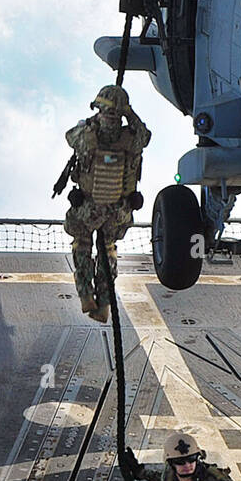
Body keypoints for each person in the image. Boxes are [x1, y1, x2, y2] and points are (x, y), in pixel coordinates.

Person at [61, 84, 150, 322]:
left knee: (81, 244)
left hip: (89, 207)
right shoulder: (132, 140)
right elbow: (145, 135)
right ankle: (104, 304)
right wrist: (129, 114)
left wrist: (92, 119)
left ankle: (85, 295)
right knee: (108, 251)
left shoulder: (85, 136)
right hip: (118, 209)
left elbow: (70, 136)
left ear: (99, 108)